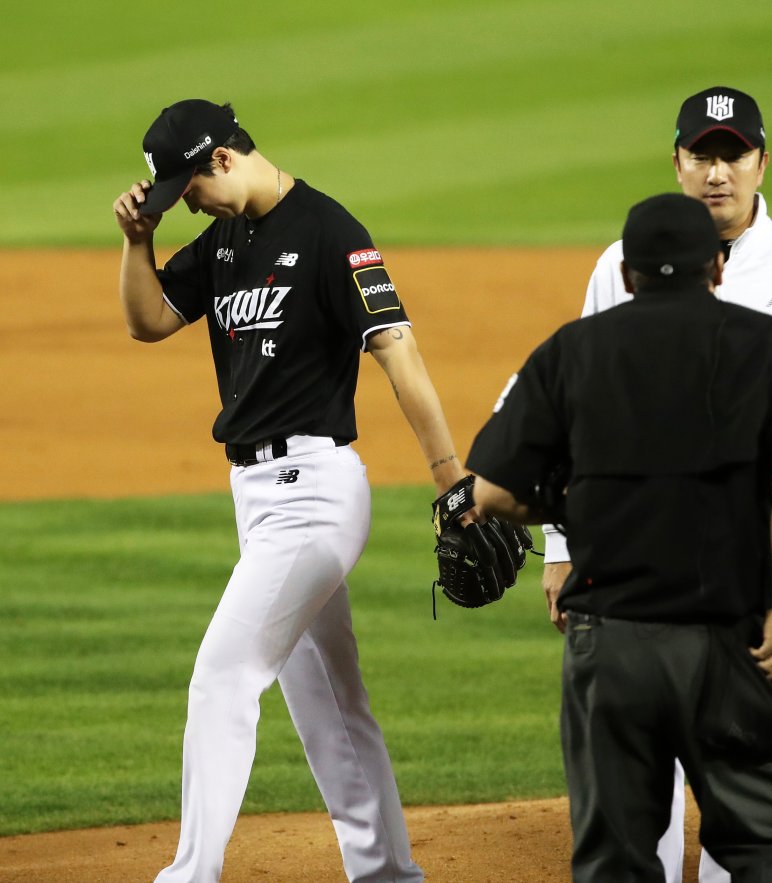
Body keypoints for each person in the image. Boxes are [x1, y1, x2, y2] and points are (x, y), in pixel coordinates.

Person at [111, 98, 481, 883]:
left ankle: (189, 875)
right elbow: (148, 321)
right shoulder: (222, 242)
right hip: (260, 497)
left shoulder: (329, 230)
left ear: (222, 159)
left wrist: (450, 476)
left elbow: (398, 349)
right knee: (333, 711)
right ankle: (388, 873)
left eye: (189, 190)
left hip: (317, 495)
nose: (188, 205)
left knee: (221, 678)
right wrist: (137, 245)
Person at [466, 192, 772, 882]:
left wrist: (572, 508)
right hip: (733, 647)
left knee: (614, 861)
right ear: (716, 266)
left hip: (611, 643)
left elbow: (492, 491)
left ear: (627, 274)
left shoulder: (571, 350)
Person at [541, 86, 772, 883]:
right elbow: (572, 419)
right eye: (702, 154)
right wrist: (558, 547)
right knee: (642, 800)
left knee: (748, 800)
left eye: (732, 154)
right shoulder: (616, 267)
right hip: (645, 563)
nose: (717, 172)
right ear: (678, 162)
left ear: (761, 161)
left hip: (770, 558)